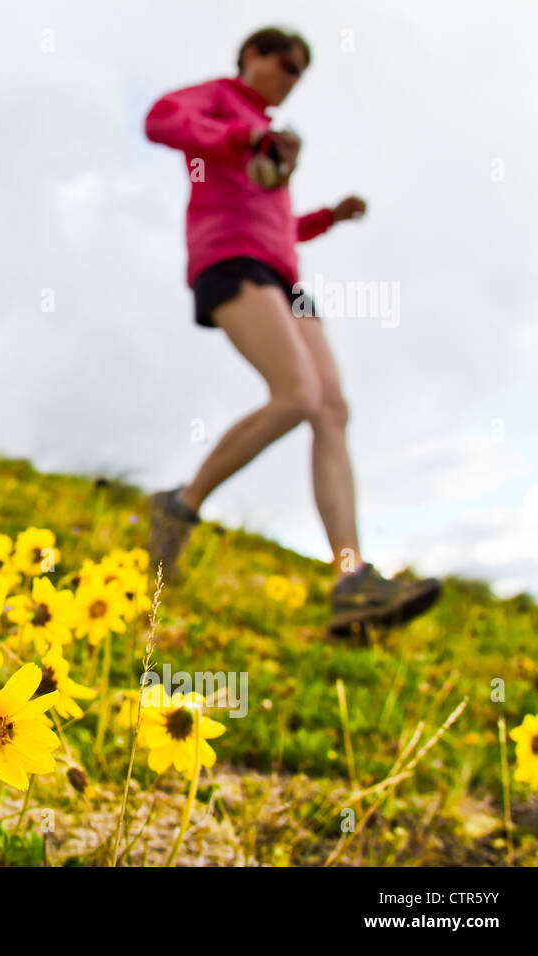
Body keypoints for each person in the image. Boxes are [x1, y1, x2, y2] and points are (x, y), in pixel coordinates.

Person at [142, 26, 440, 638]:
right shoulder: (221, 100)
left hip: (281, 275)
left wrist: (329, 217)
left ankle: (353, 582)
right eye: (287, 63)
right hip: (231, 260)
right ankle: (180, 506)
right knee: (296, 396)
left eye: (302, 71)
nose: (294, 77)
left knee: (330, 408)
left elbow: (278, 225)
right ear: (253, 54)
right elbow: (159, 120)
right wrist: (242, 136)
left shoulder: (268, 137)